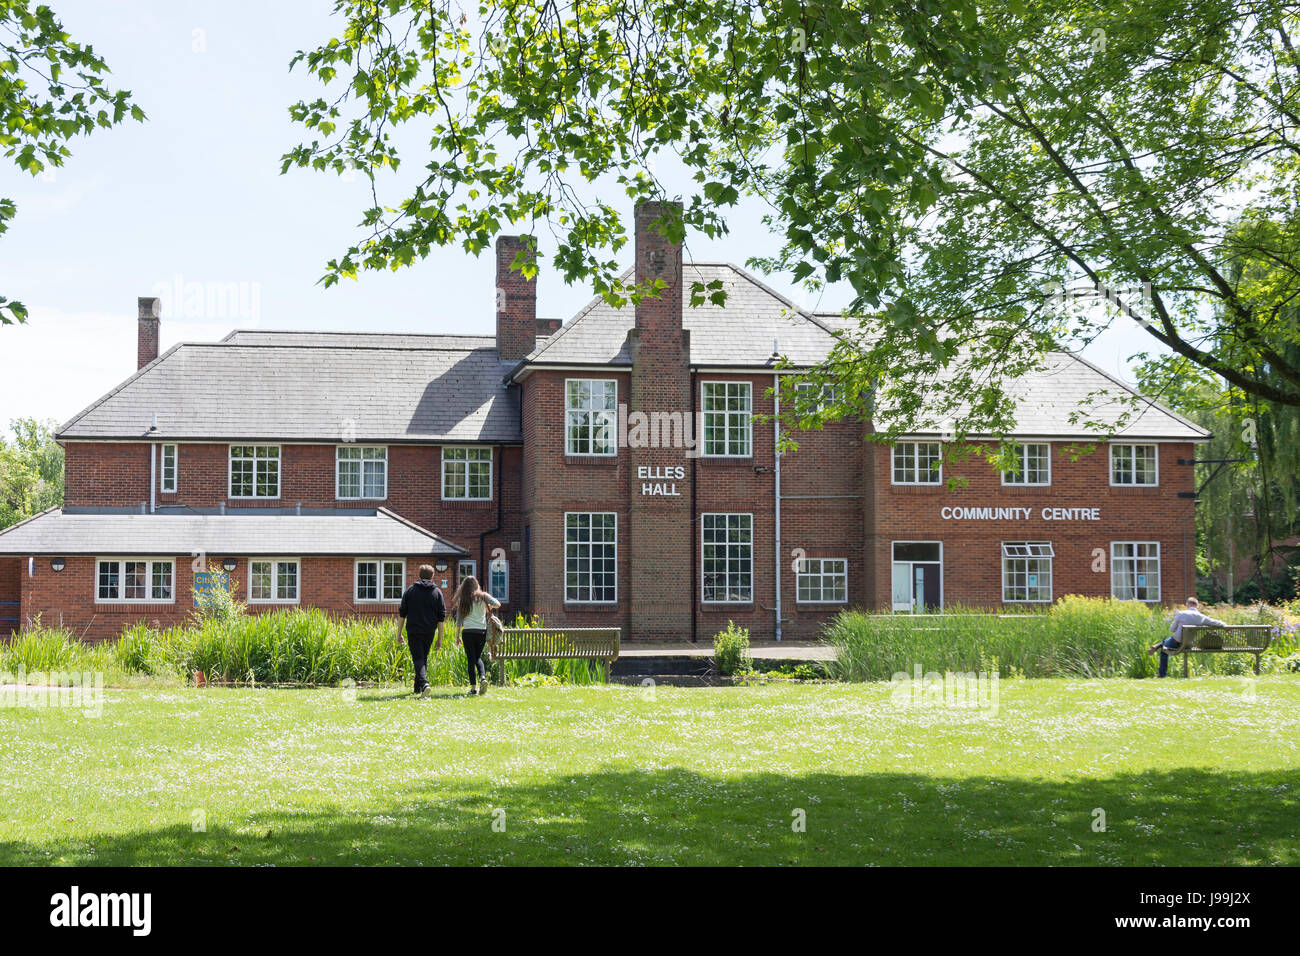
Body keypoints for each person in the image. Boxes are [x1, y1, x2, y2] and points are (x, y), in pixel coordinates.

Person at [398, 564, 447, 698]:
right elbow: (441, 617)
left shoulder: (410, 590)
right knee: (422, 657)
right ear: (432, 576)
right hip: (429, 631)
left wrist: (399, 633)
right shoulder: (437, 593)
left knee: (418, 658)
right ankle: (417, 688)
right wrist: (440, 638)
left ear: (419, 575)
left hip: (413, 630)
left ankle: (424, 684)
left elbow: (402, 613)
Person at [1149, 597, 1226, 678]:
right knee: (1169, 642)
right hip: (1188, 644)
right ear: (1197, 606)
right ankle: (1159, 645)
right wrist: (1225, 626)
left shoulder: (1181, 614)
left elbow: (1172, 629)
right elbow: (1215, 622)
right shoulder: (1201, 617)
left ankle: (1161, 674)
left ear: (1187, 604)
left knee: (1164, 649)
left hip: (1176, 643)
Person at [452, 574, 501, 696]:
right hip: (481, 631)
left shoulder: (463, 600)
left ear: (464, 587)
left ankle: (473, 688)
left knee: (470, 660)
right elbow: (498, 604)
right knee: (477, 658)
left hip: (467, 632)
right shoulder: (483, 597)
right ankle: (483, 677)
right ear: (476, 585)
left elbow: (459, 621)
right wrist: (489, 605)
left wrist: (457, 636)